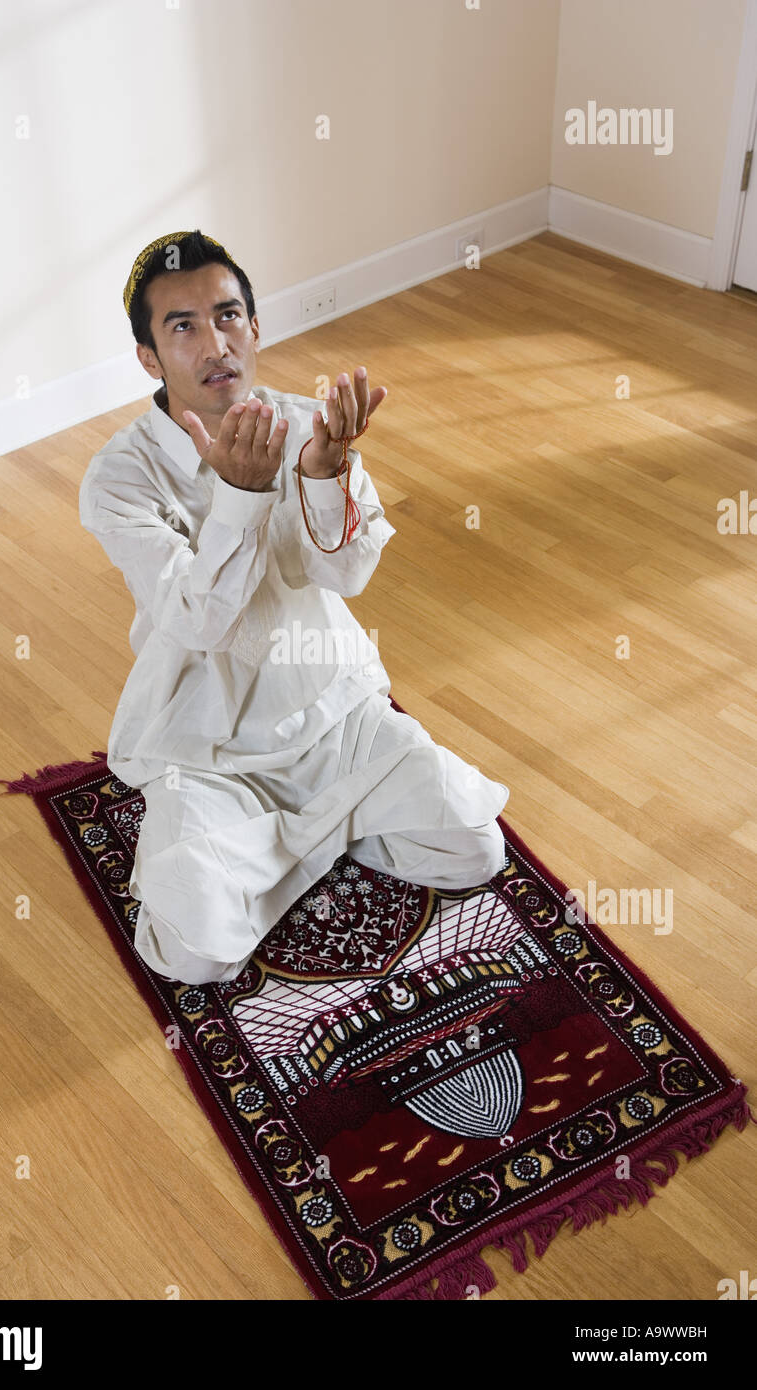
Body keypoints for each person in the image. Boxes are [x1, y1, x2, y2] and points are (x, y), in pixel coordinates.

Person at [79, 230, 510, 986]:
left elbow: (347, 576)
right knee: (198, 953)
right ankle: (304, 833)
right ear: (149, 358)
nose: (215, 344)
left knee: (476, 845)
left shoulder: (314, 425)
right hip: (207, 744)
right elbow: (200, 621)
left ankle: (270, 852)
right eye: (182, 327)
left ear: (255, 325)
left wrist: (324, 472)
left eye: (229, 315)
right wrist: (241, 499)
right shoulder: (120, 478)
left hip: (333, 714)